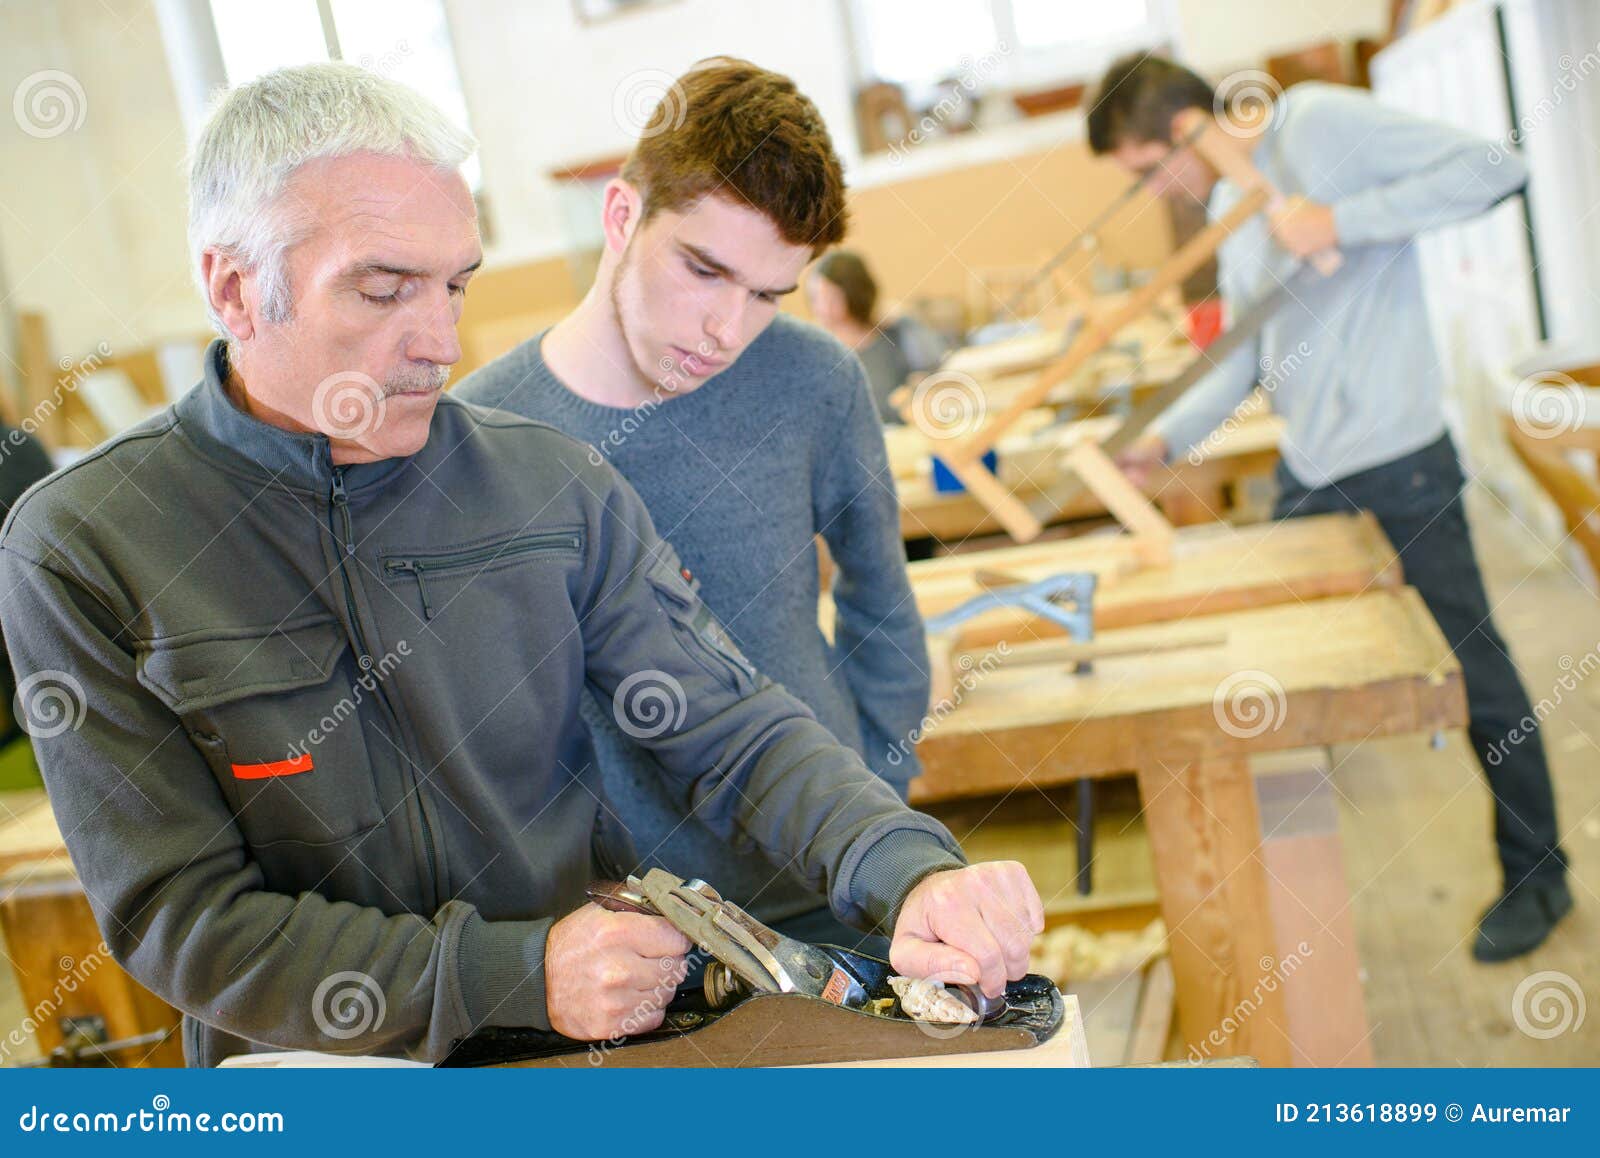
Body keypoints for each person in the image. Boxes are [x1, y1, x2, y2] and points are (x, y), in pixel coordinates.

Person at [0, 63, 1044, 1066]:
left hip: (576, 1063)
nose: (438, 340)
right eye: (384, 289)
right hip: (317, 1084)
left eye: (456, 285)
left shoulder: (551, 485)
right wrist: (506, 975)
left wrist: (903, 867)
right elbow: (181, 920)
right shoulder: (88, 548)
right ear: (234, 287)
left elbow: (732, 730)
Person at [1088, 54, 1567, 960]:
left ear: (1187, 127)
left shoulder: (1312, 126)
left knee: (1469, 670)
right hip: (1312, 470)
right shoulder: (1236, 219)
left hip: (1399, 461)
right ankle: (1280, 916)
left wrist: (1340, 217)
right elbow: (1245, 352)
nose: (1161, 192)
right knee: (1266, 669)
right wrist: (1166, 437)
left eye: (1153, 170)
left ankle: (1539, 874)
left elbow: (1498, 168)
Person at [456, 60, 933, 951]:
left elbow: (881, 600)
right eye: (704, 270)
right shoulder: (485, 433)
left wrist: (878, 807)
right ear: (621, 216)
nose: (728, 329)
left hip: (826, 882)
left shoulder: (814, 379)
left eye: (766, 294)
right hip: (623, 925)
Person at [808, 248, 947, 424]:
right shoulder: (816, 349)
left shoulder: (892, 332)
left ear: (854, 294)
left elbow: (936, 364)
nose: (822, 309)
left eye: (832, 298)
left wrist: (905, 320)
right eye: (816, 298)